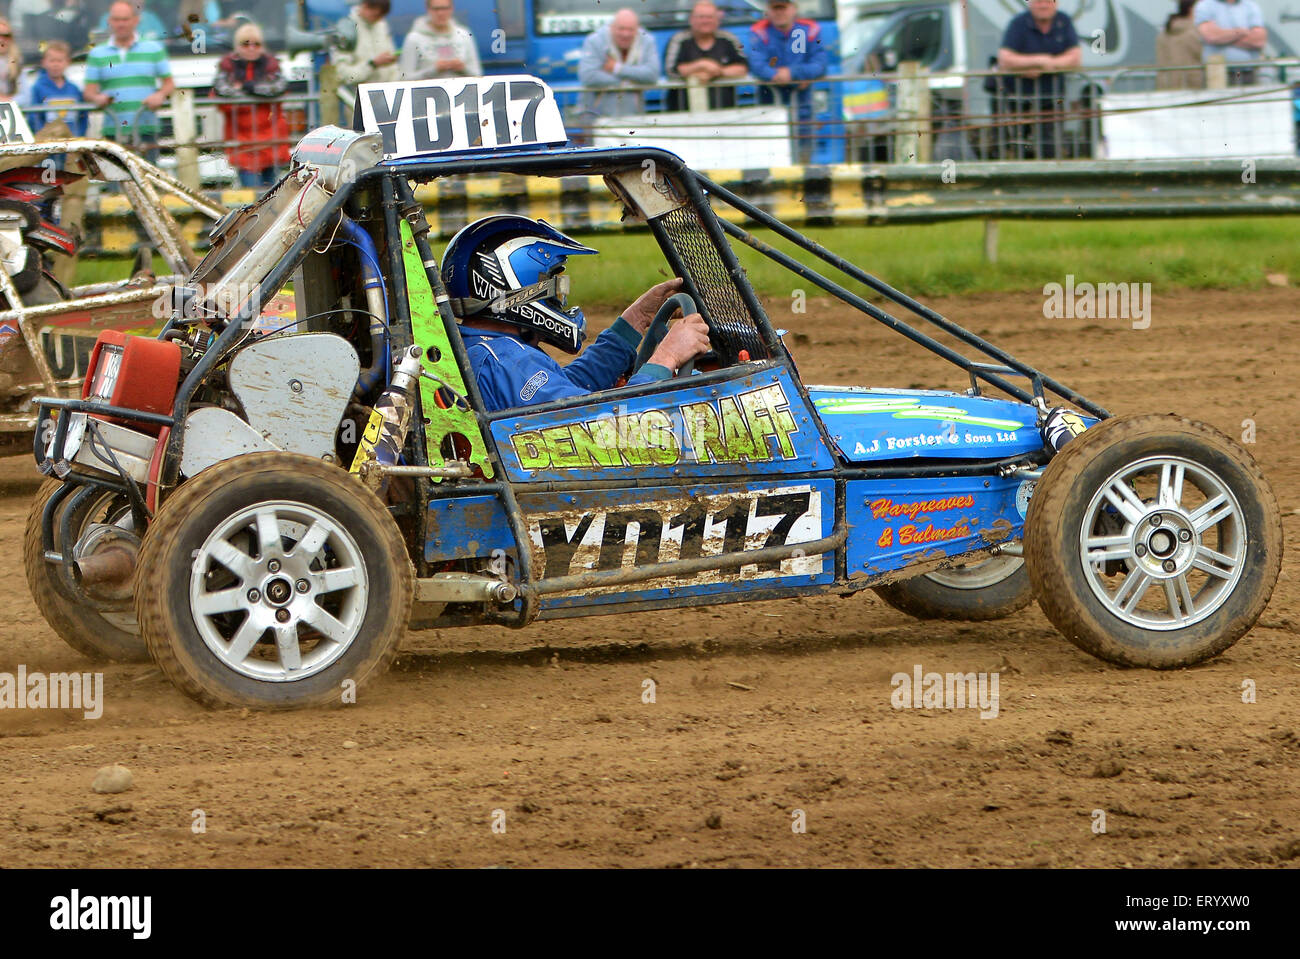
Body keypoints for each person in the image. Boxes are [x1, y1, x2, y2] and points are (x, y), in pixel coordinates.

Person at [441, 215, 711, 412]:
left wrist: (635, 320)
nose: (560, 298)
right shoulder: (504, 362)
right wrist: (668, 356)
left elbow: (568, 389)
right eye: (555, 287)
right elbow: (601, 426)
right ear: (519, 290)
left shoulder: (493, 349)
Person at [83, 1, 174, 163]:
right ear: (109, 21)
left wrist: (160, 95)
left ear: (135, 20)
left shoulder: (154, 49)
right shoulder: (97, 53)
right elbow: (89, 91)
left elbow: (169, 84)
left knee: (148, 181)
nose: (121, 24)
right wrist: (97, 98)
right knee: (116, 182)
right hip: (113, 129)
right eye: (116, 20)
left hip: (146, 127)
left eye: (125, 19)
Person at [996, 0, 1081, 159]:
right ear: (1030, 4)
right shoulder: (1018, 23)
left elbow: (1075, 58)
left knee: (1051, 145)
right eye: (1039, 1)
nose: (1043, 6)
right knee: (1019, 147)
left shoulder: (1064, 21)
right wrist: (1040, 60)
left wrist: (1049, 64)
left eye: (1048, 2)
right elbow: (1005, 58)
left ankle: (1051, 180)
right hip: (1019, 100)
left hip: (1053, 99)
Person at [747, 0, 828, 164]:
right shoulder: (759, 32)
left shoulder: (809, 30)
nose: (779, 13)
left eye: (783, 8)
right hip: (769, 103)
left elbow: (820, 63)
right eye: (775, 8)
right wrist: (775, 75)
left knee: (804, 145)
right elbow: (756, 64)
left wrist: (791, 73)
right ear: (768, 11)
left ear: (793, 9)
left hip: (802, 104)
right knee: (770, 144)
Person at [214, 22, 290, 190]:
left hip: (271, 142)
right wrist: (257, 92)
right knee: (252, 197)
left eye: (256, 44)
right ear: (237, 46)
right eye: (245, 43)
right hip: (243, 144)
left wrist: (246, 87)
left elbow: (278, 89)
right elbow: (221, 91)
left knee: (273, 195)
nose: (251, 48)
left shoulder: (272, 65)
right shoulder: (227, 67)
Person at [577, 8, 659, 121]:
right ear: (612, 27)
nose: (625, 34)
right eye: (621, 29)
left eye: (630, 30)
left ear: (637, 29)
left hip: (634, 117)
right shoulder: (594, 40)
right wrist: (632, 80)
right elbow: (588, 76)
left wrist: (617, 68)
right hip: (595, 117)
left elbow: (652, 75)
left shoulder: (647, 40)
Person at [664, 0, 748, 111]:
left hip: (725, 112)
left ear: (718, 20)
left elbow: (743, 68)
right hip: (683, 113)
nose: (705, 21)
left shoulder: (729, 39)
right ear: (691, 20)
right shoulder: (678, 40)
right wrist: (701, 65)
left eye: (710, 17)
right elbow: (671, 70)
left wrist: (717, 72)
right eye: (701, 17)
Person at [399, 0, 481, 81]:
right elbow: (404, 78)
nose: (440, 13)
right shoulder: (413, 38)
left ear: (452, 9)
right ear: (428, 9)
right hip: (428, 93)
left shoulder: (464, 35)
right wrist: (434, 70)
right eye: (436, 9)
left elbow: (477, 74)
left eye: (445, 8)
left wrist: (462, 68)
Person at [1194, 0, 1266, 86]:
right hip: (1217, 75)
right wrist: (1241, 32)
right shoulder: (1205, 6)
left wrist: (1223, 37)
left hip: (1247, 73)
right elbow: (1211, 35)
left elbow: (1259, 40)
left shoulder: (1251, 6)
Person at [26, 41, 88, 138]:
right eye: (52, 61)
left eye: (59, 61)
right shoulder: (38, 88)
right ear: (44, 62)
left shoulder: (74, 89)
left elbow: (83, 116)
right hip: (48, 143)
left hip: (72, 143)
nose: (56, 65)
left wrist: (79, 136)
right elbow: (34, 117)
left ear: (67, 62)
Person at [331, 0, 399, 87]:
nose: (378, 19)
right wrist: (372, 65)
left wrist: (394, 86)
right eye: (376, 15)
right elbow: (343, 74)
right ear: (365, 6)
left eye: (381, 15)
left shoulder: (382, 25)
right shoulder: (346, 29)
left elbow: (393, 67)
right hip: (356, 96)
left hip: (386, 94)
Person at [1157, 1, 1206, 90]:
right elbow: (1203, 55)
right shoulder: (1193, 32)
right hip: (1190, 83)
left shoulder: (1165, 32)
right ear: (1191, 10)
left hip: (1166, 83)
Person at [0, 19, 19, 99]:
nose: (1, 39)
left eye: (6, 36)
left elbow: (26, 96)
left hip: (9, 107)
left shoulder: (17, 62)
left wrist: (7, 101)